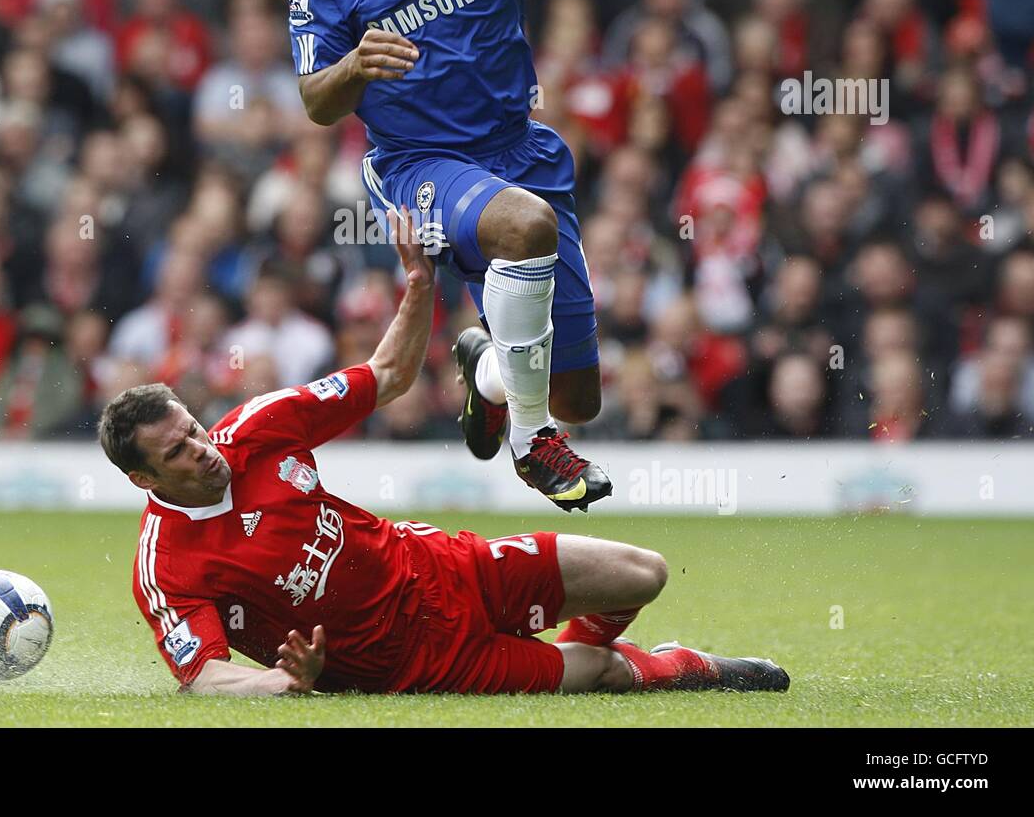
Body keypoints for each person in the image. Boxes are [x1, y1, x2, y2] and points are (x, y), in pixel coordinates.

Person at [98, 211, 788, 696]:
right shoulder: (166, 563)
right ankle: (671, 667)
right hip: (418, 665)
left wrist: (420, 284)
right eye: (178, 452)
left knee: (644, 573)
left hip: (444, 569)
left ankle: (598, 650)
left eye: (192, 428)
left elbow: (388, 377)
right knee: (603, 678)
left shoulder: (257, 426)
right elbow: (203, 677)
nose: (202, 448)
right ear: (142, 478)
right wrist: (279, 681)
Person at [280, 0, 677, 510]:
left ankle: (491, 372)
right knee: (526, 228)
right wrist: (355, 65)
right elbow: (316, 102)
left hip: (518, 149)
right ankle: (533, 445)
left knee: (577, 394)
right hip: (415, 163)